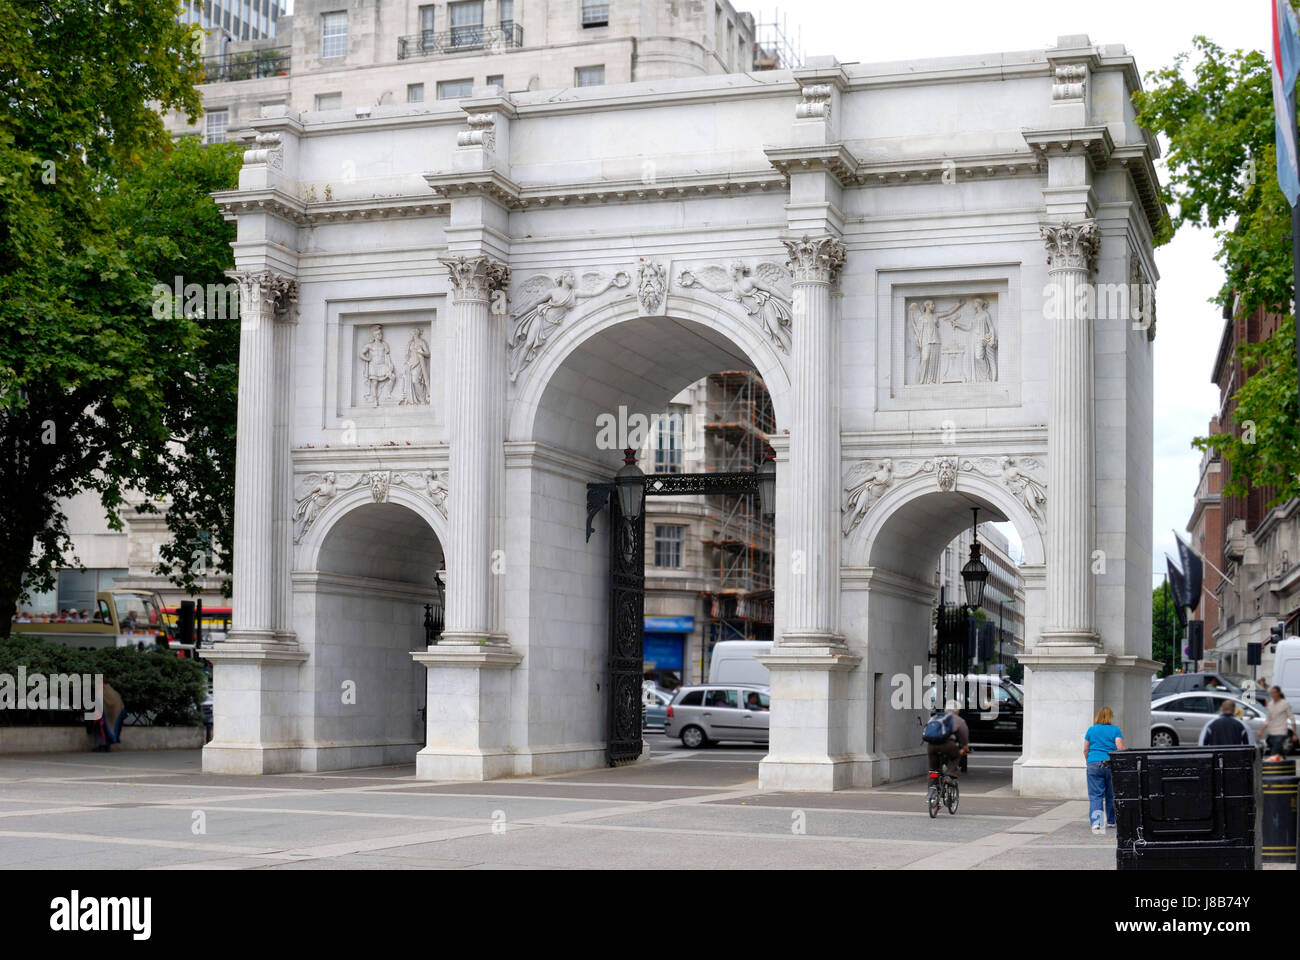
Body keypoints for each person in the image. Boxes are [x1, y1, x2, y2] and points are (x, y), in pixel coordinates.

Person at [1084, 706, 1125, 833]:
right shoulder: (1115, 730)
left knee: (1096, 795)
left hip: (1093, 764)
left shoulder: (1091, 730)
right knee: (1111, 794)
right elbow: (1119, 747)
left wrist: (1089, 760)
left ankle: (1097, 824)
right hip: (1110, 764)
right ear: (1111, 717)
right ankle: (1111, 821)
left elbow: (1085, 749)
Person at [925, 699, 970, 780]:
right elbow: (964, 735)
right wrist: (964, 747)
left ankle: (932, 789)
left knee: (933, 770)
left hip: (931, 745)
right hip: (947, 745)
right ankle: (950, 774)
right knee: (956, 756)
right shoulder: (958, 720)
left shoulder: (935, 717)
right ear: (956, 711)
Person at [1259, 686, 1296, 759]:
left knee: (1274, 752)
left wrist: (1294, 734)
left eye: (1274, 692)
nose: (1272, 694)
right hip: (1272, 732)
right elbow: (1268, 719)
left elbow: (1292, 719)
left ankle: (1272, 767)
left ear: (1279, 693)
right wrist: (1261, 730)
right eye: (1271, 693)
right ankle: (1284, 762)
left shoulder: (1285, 704)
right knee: (1279, 751)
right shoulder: (1270, 704)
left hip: (1281, 732)